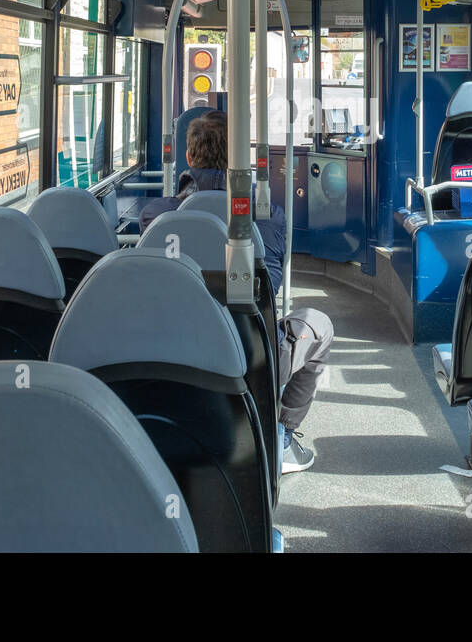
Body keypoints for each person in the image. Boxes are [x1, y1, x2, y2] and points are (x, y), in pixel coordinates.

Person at [139, 111, 332, 474]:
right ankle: (281, 436)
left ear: (190, 157)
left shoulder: (156, 217)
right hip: (252, 356)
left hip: (169, 351)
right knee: (318, 326)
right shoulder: (269, 217)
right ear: (240, 161)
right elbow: (269, 291)